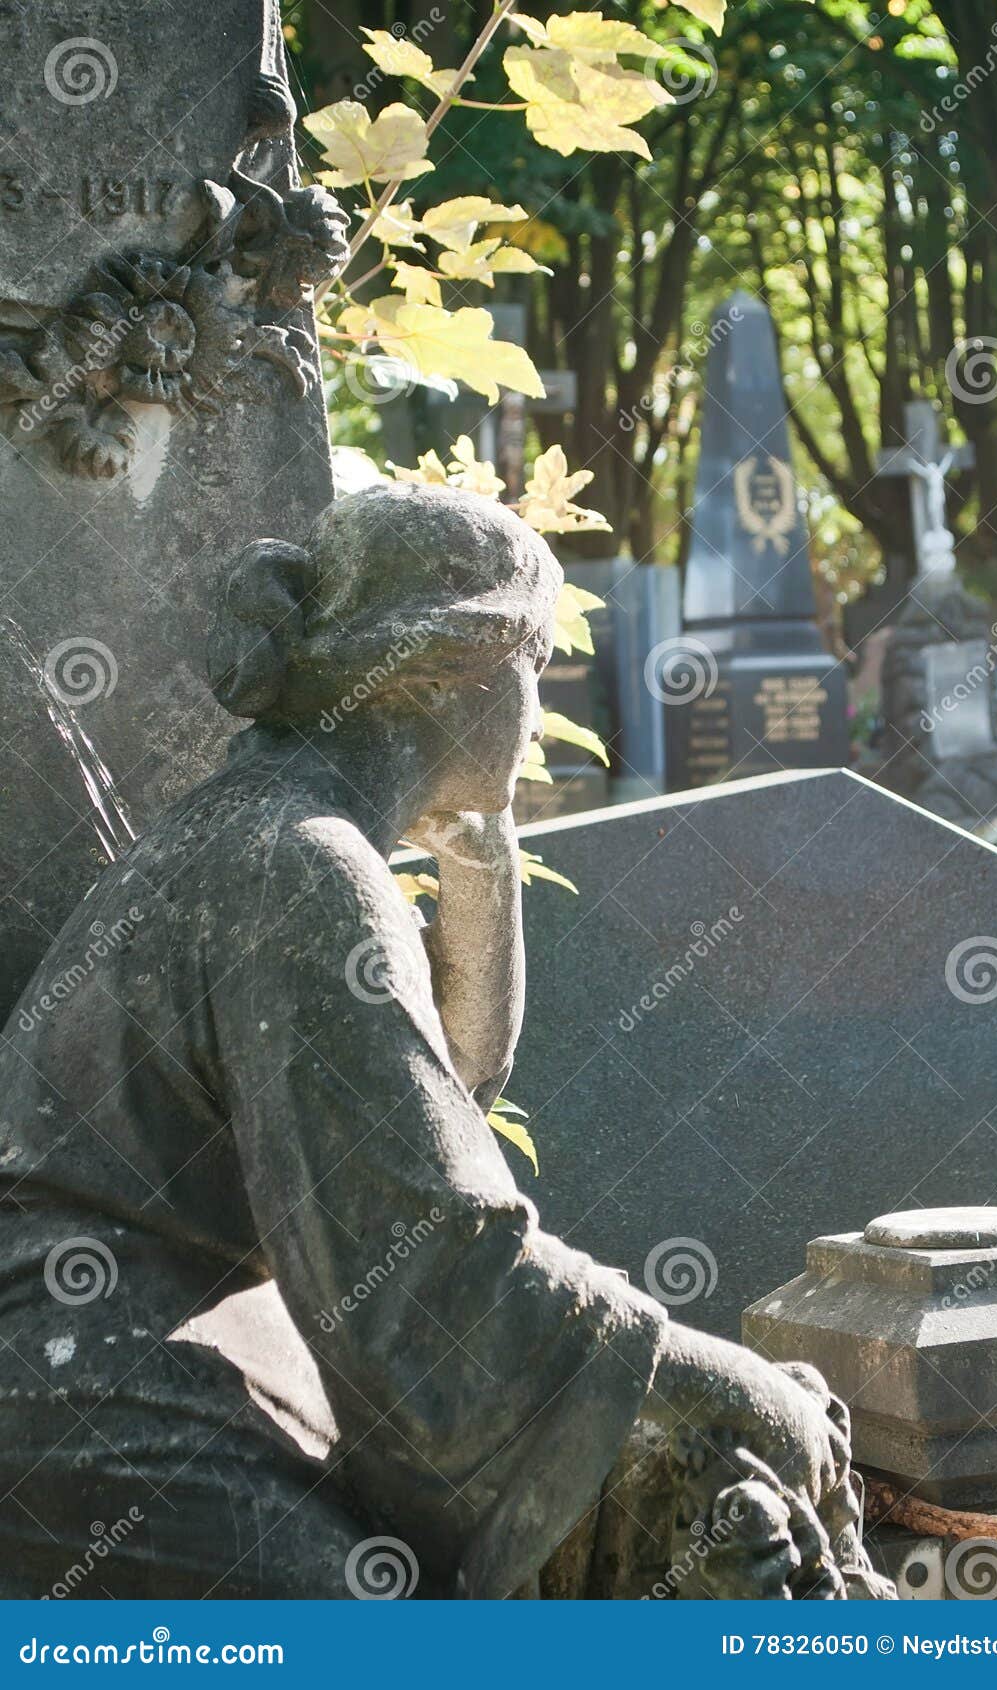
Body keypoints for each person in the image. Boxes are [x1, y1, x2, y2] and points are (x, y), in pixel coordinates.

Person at [0, 484, 879, 1598]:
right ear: (451, 675)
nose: (541, 700)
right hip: (91, 1385)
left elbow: (447, 1092)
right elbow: (423, 1261)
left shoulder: (276, 827)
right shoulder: (300, 867)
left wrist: (481, 843)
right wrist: (710, 1382)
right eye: (533, 666)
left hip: (161, 1341)